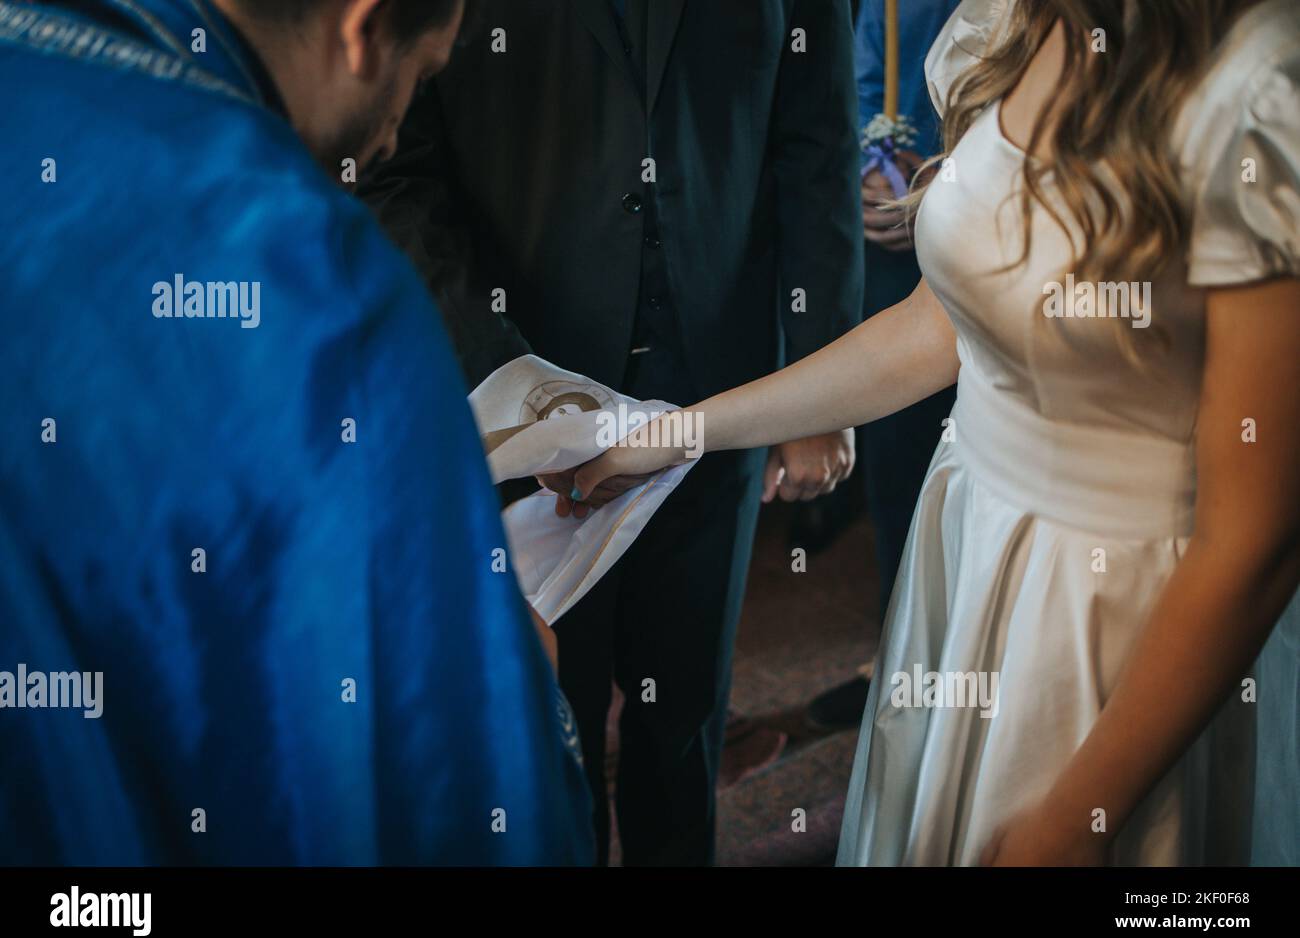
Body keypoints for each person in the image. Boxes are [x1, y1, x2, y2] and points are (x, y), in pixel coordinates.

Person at [572, 0, 1300, 864]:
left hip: (1112, 607)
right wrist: (675, 435)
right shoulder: (1014, 22)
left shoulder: (1262, 91)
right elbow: (938, 330)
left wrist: (1072, 821)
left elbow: (1256, 541)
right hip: (965, 545)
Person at [0, 0, 592, 865]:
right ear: (364, 25)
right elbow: (452, 781)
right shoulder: (311, 284)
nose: (393, 136)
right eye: (418, 78)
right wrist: (514, 675)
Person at [361, 0, 864, 865]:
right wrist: (512, 387)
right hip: (519, 390)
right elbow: (395, 174)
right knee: (546, 714)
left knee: (687, 716)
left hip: (723, 383)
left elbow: (816, 143)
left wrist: (819, 388)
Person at [808, 0, 963, 729]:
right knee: (896, 459)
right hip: (880, 246)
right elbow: (825, 96)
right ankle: (896, 649)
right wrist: (862, 170)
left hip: (974, 235)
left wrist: (944, 184)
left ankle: (959, 659)